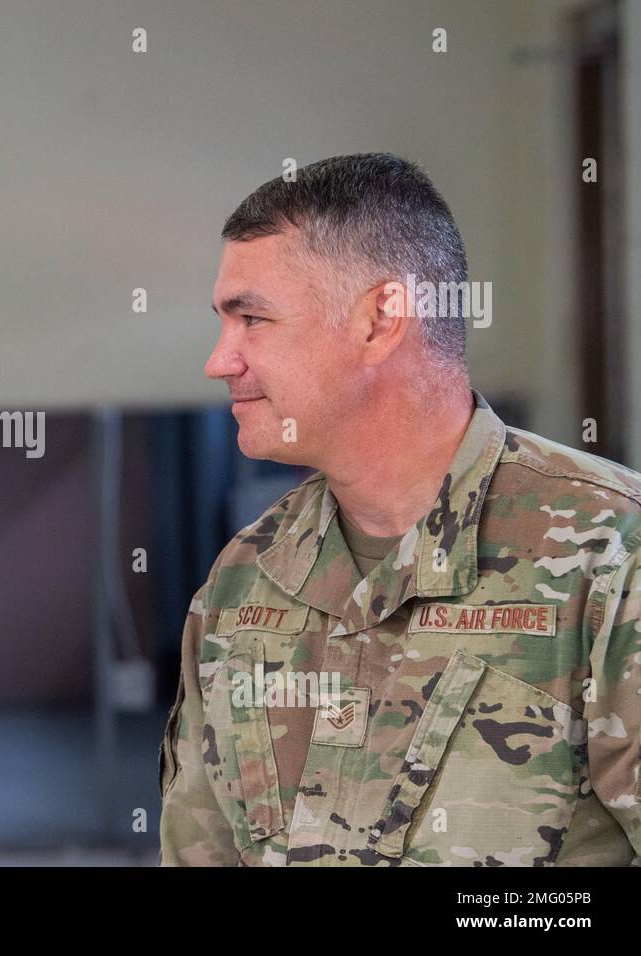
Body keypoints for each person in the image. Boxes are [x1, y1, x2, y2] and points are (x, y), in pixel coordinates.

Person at [159, 153, 641, 866]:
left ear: (382, 318)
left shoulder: (611, 557)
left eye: (252, 318)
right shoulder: (245, 579)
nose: (220, 359)